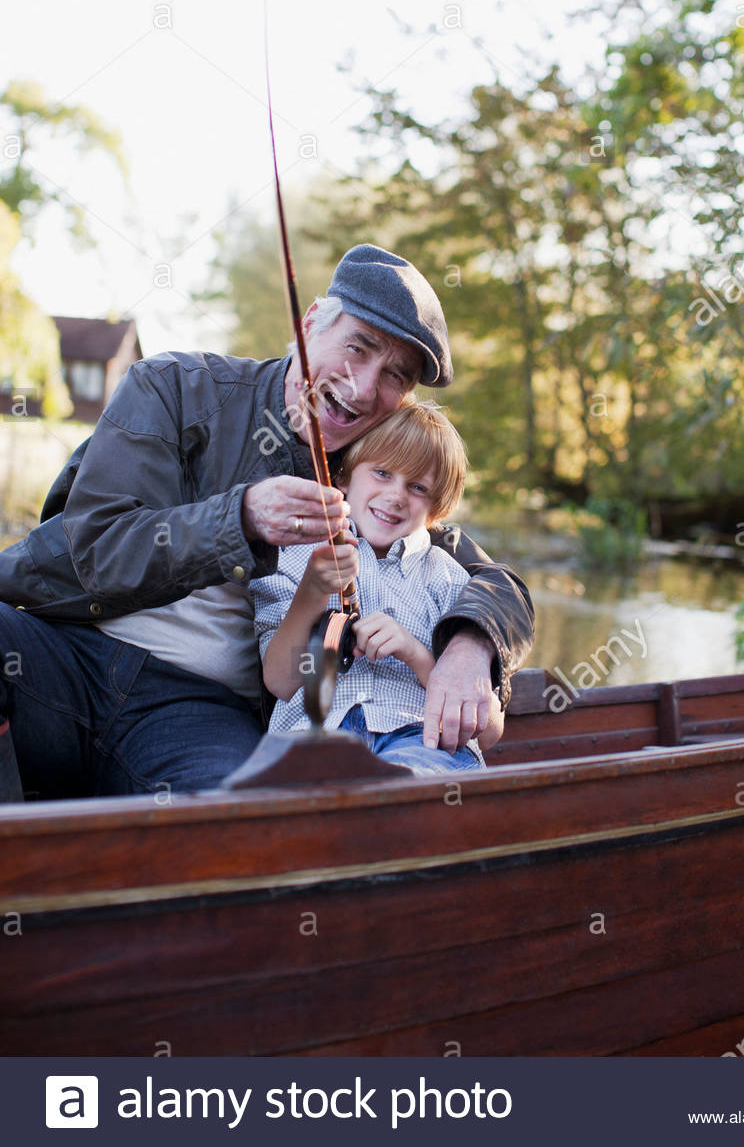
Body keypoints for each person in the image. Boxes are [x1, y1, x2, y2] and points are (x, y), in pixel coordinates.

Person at [0, 245, 534, 800]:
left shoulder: (376, 479)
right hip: (66, 656)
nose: (360, 387)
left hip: (196, 712)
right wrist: (242, 517)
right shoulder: (176, 388)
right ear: (310, 325)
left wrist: (470, 646)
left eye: (394, 376)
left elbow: (497, 583)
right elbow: (90, 546)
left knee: (238, 825)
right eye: (357, 348)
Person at [252, 401, 503, 775]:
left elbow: (489, 731)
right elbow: (279, 680)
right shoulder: (293, 556)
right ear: (344, 479)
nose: (397, 496)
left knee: (410, 788)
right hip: (316, 739)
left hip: (420, 743)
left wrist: (416, 653)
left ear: (435, 510)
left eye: (417, 487)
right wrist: (312, 592)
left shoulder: (452, 580)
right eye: (382, 472)